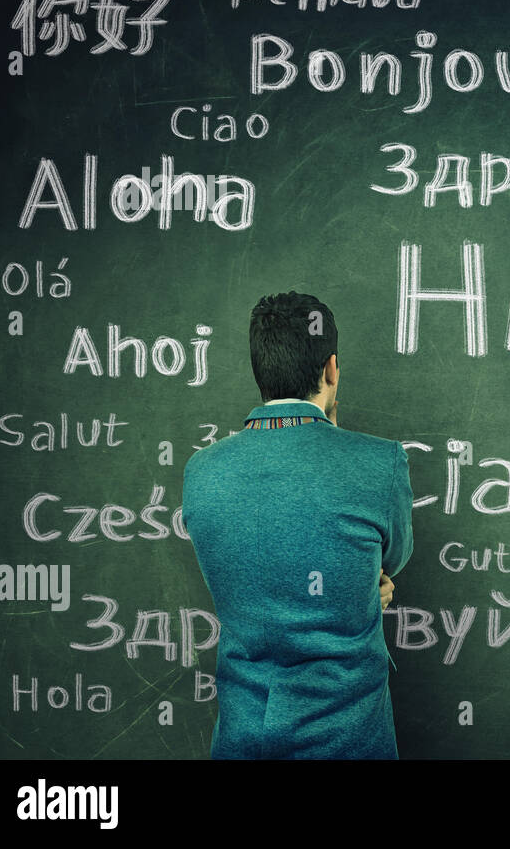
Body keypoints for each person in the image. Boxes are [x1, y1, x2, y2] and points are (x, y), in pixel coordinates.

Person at [182, 291, 413, 759]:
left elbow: (246, 570)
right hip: (348, 740)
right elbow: (390, 560)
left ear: (260, 371)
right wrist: (359, 585)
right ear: (331, 368)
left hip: (243, 737)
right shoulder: (379, 463)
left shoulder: (202, 470)